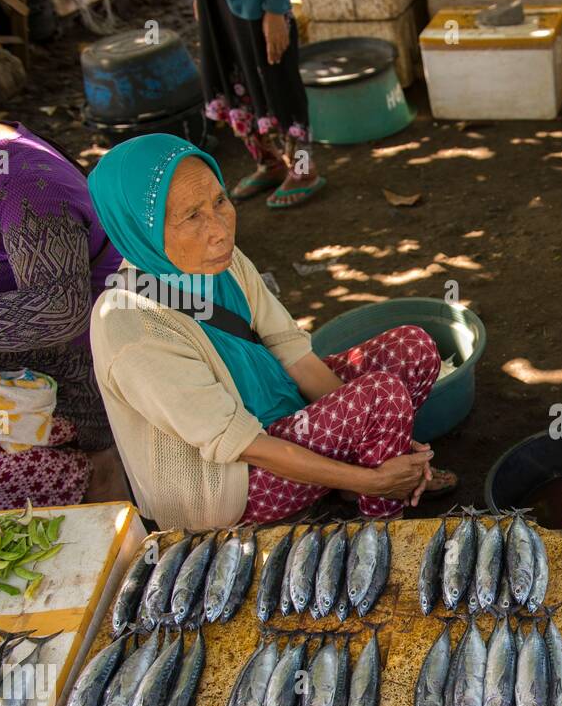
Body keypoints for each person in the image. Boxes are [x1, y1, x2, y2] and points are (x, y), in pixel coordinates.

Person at [86, 134, 456, 531]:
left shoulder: (218, 258)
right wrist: (376, 478)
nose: (219, 229)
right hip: (231, 483)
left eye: (220, 201)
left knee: (413, 347)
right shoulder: (133, 327)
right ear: (138, 229)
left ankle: (362, 483)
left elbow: (291, 351)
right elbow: (240, 444)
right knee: (381, 396)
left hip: (276, 413)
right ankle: (381, 525)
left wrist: (382, 436)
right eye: (192, 216)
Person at [0, 93, 126, 510]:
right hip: (1, 362)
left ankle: (103, 482)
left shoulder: (24, 185)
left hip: (78, 370)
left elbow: (60, 311)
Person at [195, 0, 325, 208]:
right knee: (233, 81)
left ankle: (304, 171)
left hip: (260, 4)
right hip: (215, 4)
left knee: (280, 84)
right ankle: (269, 163)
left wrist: (276, 9)